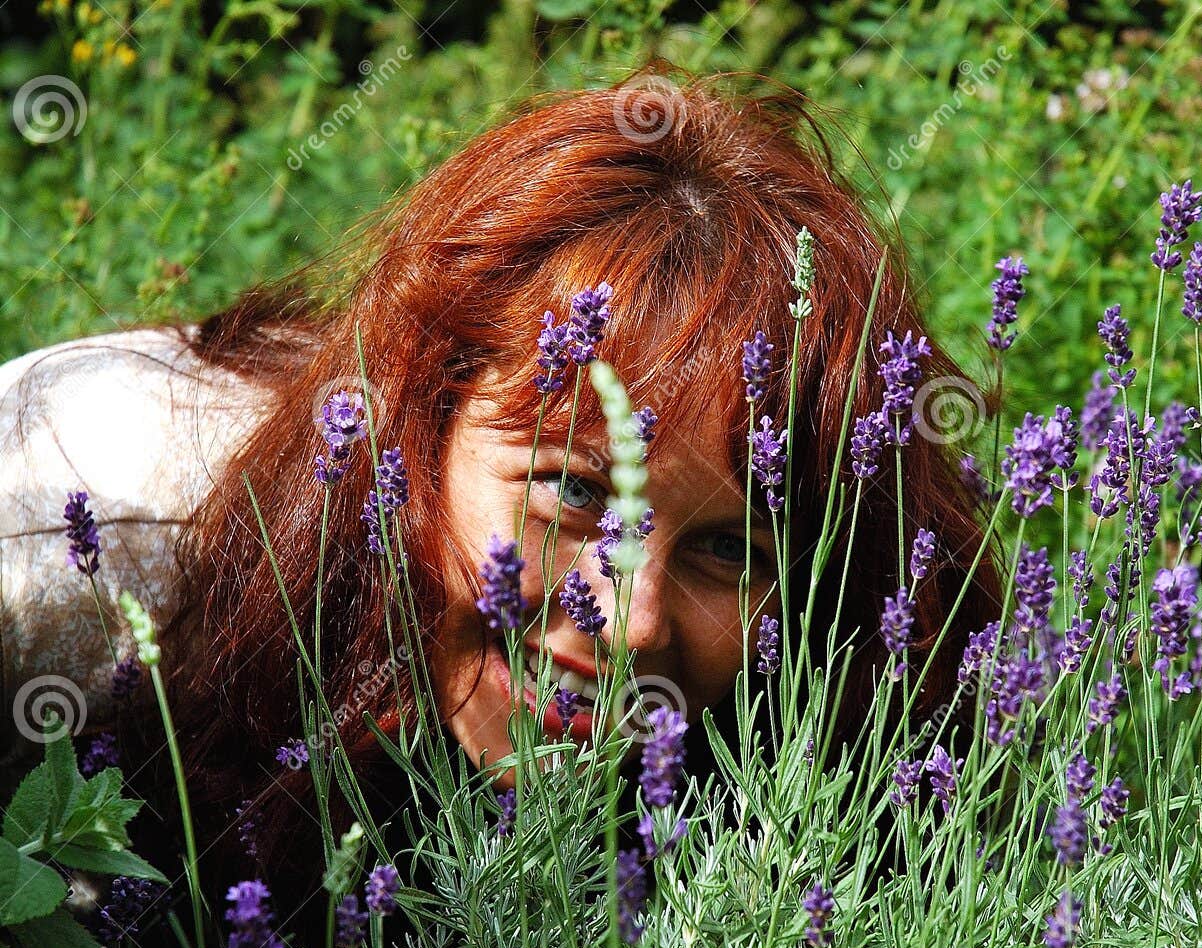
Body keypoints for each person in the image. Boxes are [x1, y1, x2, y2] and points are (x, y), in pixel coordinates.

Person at [0, 71, 1004, 905]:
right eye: (570, 492)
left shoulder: (833, 729)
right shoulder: (90, 537)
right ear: (417, 409)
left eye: (731, 548)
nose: (630, 621)